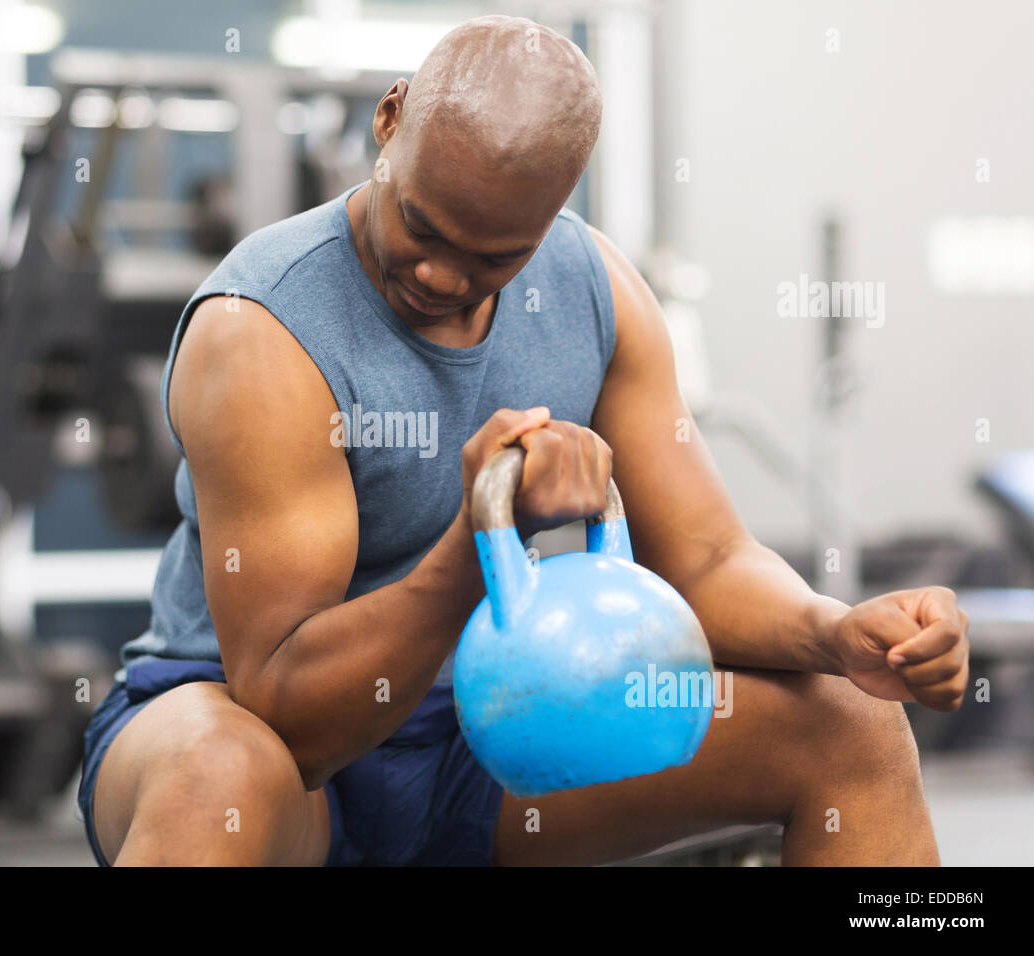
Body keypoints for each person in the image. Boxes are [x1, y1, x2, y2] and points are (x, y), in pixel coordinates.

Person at [78, 14, 968, 866]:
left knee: (850, 724)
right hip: (253, 735)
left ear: (549, 219)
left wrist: (836, 631)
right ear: (389, 121)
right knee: (220, 778)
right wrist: (480, 539)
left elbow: (705, 559)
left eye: (492, 256)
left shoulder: (594, 290)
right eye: (422, 227)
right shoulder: (263, 329)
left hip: (488, 727)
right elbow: (290, 711)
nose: (439, 273)